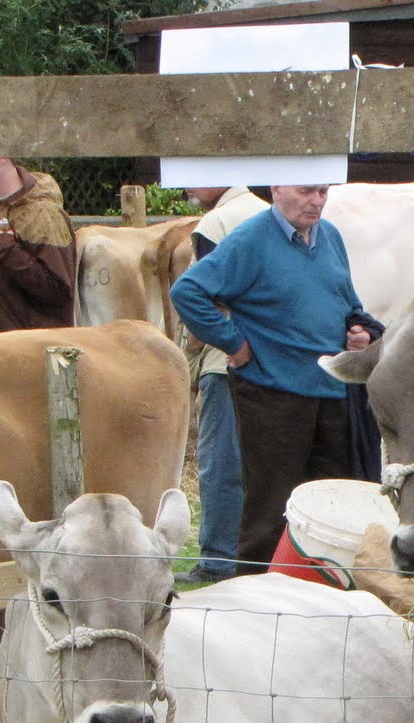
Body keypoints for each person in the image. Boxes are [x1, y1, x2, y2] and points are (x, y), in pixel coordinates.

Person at [171, 184, 379, 572]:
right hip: (273, 396)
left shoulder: (330, 236)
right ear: (277, 190)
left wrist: (359, 332)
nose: (316, 201)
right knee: (269, 514)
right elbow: (188, 292)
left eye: (322, 192)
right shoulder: (251, 239)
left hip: (332, 394)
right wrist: (233, 342)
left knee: (329, 508)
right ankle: (259, 594)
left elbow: (349, 304)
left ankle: (323, 595)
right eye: (306, 191)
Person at [175, 185, 269, 586]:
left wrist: (199, 347)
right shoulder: (268, 212)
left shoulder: (217, 222)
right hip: (273, 362)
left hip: (224, 361)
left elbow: (202, 297)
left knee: (220, 462)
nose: (187, 185)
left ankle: (218, 560)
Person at [0, 157, 76, 332]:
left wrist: (8, 251)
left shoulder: (43, 213)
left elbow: (60, 293)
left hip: (30, 346)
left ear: (1, 157)